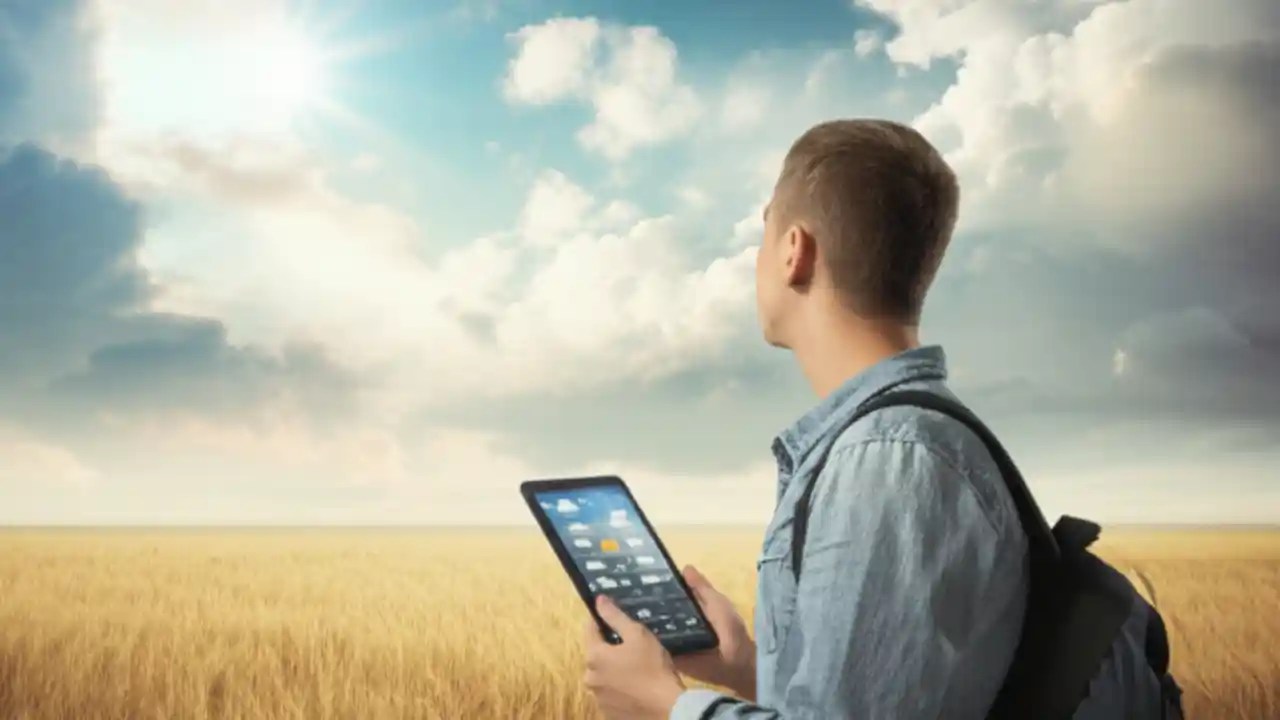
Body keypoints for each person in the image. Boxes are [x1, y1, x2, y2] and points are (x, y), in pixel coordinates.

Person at [580, 118, 1029, 719]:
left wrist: (667, 707)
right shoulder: (900, 442)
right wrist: (746, 668)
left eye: (762, 235)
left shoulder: (886, 459)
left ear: (795, 250)